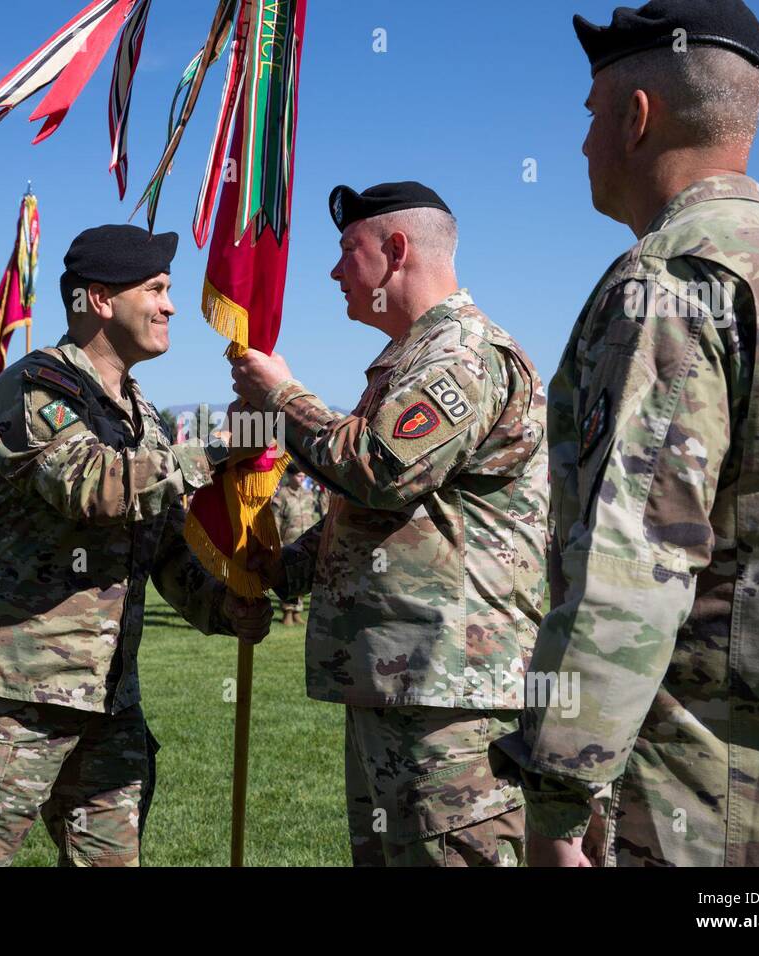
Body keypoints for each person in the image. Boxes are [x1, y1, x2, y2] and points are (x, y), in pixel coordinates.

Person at [495, 0, 759, 867]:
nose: (582, 144)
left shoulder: (668, 284)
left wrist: (558, 799)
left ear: (637, 119)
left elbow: (629, 572)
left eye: (592, 116)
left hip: (712, 815)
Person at [0, 224, 273, 866]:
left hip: (106, 699)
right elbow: (96, 487)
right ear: (100, 301)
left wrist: (221, 606)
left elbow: (156, 545)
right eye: (156, 289)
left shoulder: (140, 411)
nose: (171, 305)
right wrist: (219, 448)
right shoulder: (36, 387)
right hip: (8, 694)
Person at [232, 182, 549, 867]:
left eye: (350, 250)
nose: (335, 270)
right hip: (403, 686)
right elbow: (375, 513)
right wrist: (282, 569)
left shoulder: (464, 356)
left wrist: (280, 398)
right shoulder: (408, 361)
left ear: (397, 250)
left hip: (451, 699)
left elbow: (378, 468)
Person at [270, 465, 320, 625]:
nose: (302, 479)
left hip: (307, 543)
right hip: (289, 542)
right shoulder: (282, 495)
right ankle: (287, 612)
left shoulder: (309, 494)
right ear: (290, 476)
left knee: (303, 575)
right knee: (288, 576)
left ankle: (297, 612)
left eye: (304, 476)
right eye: (299, 476)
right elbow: (275, 520)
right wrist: (276, 542)